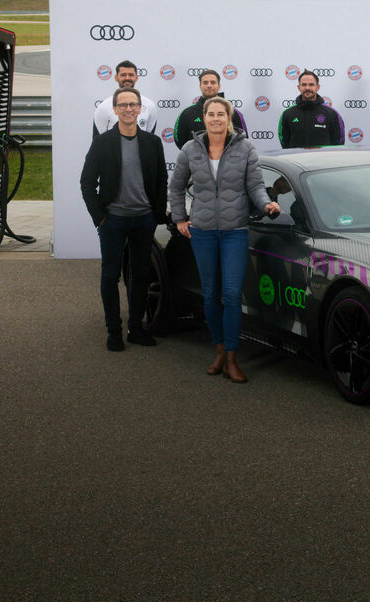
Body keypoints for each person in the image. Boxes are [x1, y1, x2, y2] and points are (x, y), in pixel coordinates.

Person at [169, 97, 280, 383]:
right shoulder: (190, 149)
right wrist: (180, 218)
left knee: (231, 294)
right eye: (211, 114)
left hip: (234, 231)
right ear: (203, 118)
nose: (216, 118)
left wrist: (267, 204)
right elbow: (177, 186)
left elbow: (255, 186)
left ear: (228, 118)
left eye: (221, 114)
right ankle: (218, 350)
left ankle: (231, 356)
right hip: (203, 231)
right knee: (210, 293)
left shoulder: (245, 148)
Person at [80, 86, 169, 351]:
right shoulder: (103, 142)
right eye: (123, 105)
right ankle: (113, 331)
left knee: (140, 275)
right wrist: (99, 217)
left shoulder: (152, 143)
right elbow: (86, 183)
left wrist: (156, 214)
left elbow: (161, 179)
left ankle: (136, 328)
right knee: (110, 276)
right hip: (113, 221)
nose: (129, 109)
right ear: (115, 109)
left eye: (133, 104)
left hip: (143, 220)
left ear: (141, 109)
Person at [174, 69, 248, 148]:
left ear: (219, 86)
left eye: (213, 82)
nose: (209, 85)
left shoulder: (233, 112)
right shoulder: (187, 113)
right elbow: (179, 141)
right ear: (200, 86)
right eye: (205, 83)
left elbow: (243, 140)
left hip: (227, 160)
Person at [277, 70, 344, 148]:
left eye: (311, 84)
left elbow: (339, 142)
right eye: (304, 85)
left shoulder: (332, 113)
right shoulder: (287, 114)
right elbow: (284, 142)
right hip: (295, 159)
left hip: (322, 160)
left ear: (317, 87)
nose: (307, 88)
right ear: (299, 87)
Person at [92, 60, 159, 138]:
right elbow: (98, 140)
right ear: (116, 77)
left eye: (131, 75)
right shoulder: (103, 107)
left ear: (136, 77)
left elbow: (150, 138)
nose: (127, 78)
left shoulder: (149, 105)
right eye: (123, 75)